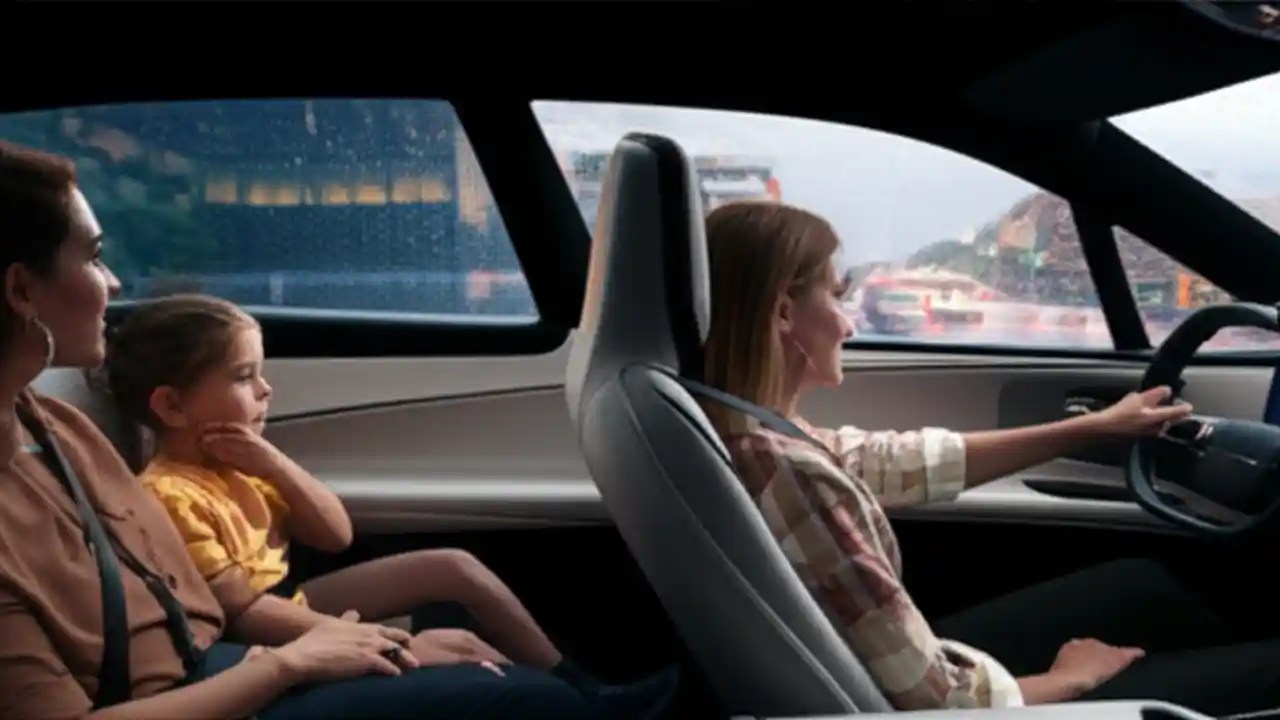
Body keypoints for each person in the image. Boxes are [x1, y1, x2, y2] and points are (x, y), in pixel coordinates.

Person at [0, 138, 593, 720]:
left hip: (220, 660)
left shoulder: (53, 424)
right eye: (95, 256)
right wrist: (295, 661)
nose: (114, 285)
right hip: (211, 689)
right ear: (22, 290)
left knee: (488, 660)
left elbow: (195, 600)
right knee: (534, 703)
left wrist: (366, 647)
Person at [698, 200, 1280, 716]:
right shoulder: (790, 472)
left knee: (1140, 584)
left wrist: (1095, 428)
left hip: (889, 671)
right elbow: (940, 702)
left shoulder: (750, 428)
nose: (849, 323)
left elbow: (892, 460)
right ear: (782, 314)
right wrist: (1073, 679)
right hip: (934, 703)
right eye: (835, 295)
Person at [100, 292, 680, 720]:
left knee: (452, 566)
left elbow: (333, 535)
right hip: (256, 618)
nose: (266, 390)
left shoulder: (242, 464)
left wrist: (275, 465)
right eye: (244, 377)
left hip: (290, 592)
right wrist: (376, 642)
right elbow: (243, 613)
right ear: (173, 407)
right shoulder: (169, 494)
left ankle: (581, 685)